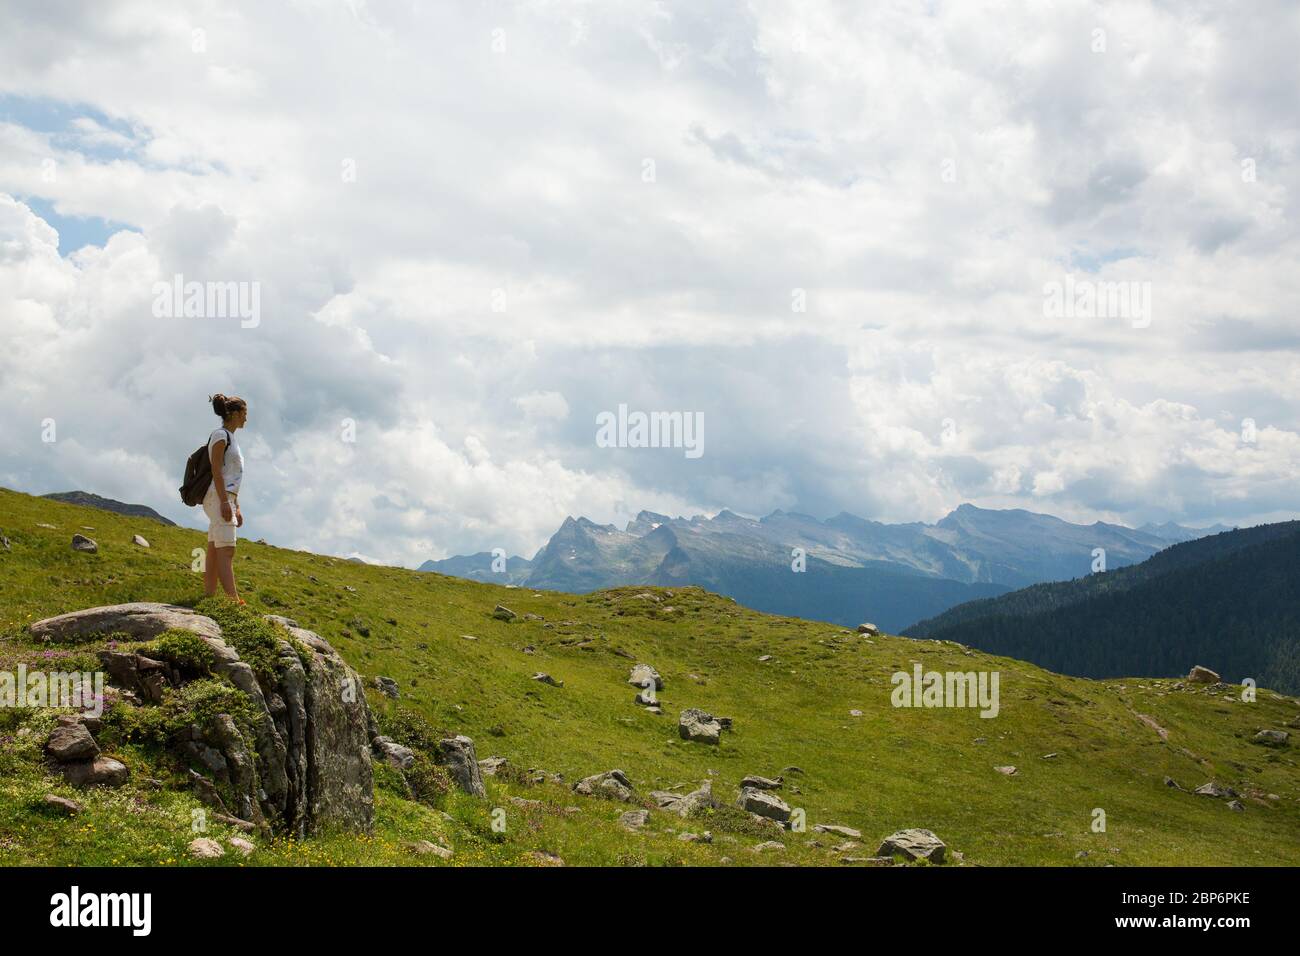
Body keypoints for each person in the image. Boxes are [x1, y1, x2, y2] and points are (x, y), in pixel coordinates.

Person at [202, 393, 247, 602]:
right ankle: (234, 603)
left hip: (225, 496)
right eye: (244, 413)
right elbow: (216, 470)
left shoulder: (230, 438)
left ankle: (209, 598)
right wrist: (224, 502)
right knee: (227, 550)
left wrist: (236, 505)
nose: (246, 418)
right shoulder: (221, 436)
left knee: (214, 548)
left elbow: (231, 476)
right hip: (218, 496)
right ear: (235, 413)